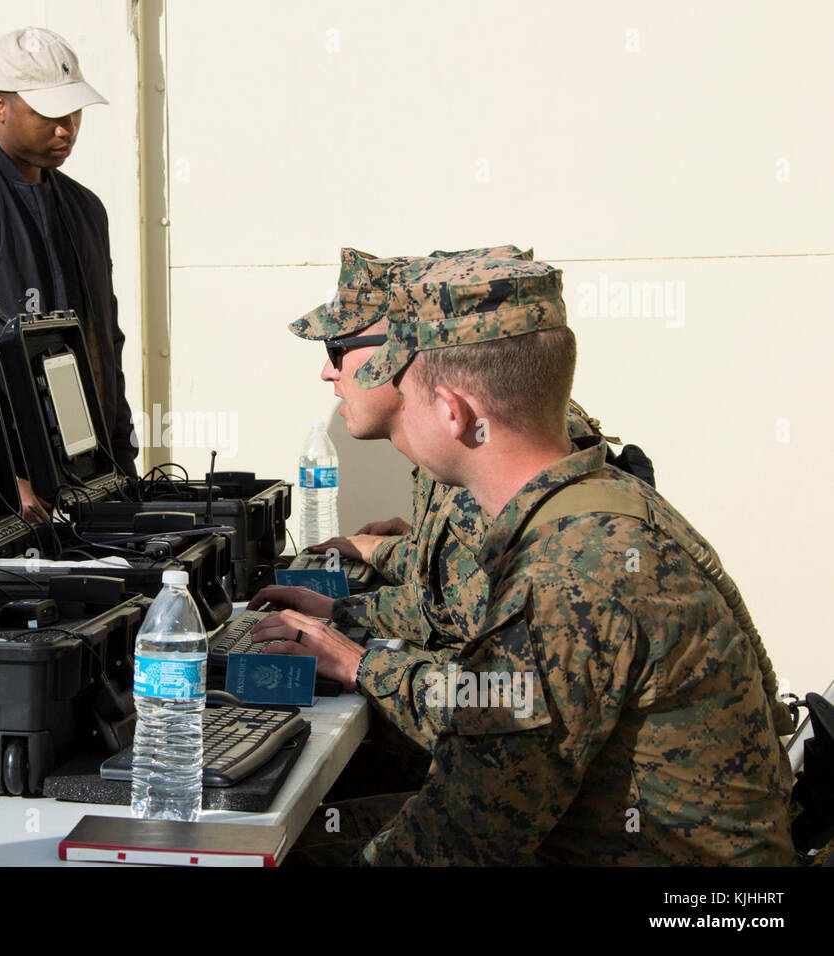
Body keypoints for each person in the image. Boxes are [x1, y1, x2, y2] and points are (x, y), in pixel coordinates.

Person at [253, 253, 795, 864]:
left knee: (292, 850)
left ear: (453, 412)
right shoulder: (593, 505)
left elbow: (458, 842)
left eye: (402, 389)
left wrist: (363, 664)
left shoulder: (564, 577)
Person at [0, 27, 138, 520]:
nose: (66, 127)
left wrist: (122, 458)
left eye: (74, 110)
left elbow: (107, 342)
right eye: (48, 113)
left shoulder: (85, 208)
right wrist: (0, 477)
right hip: (7, 491)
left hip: (90, 473)